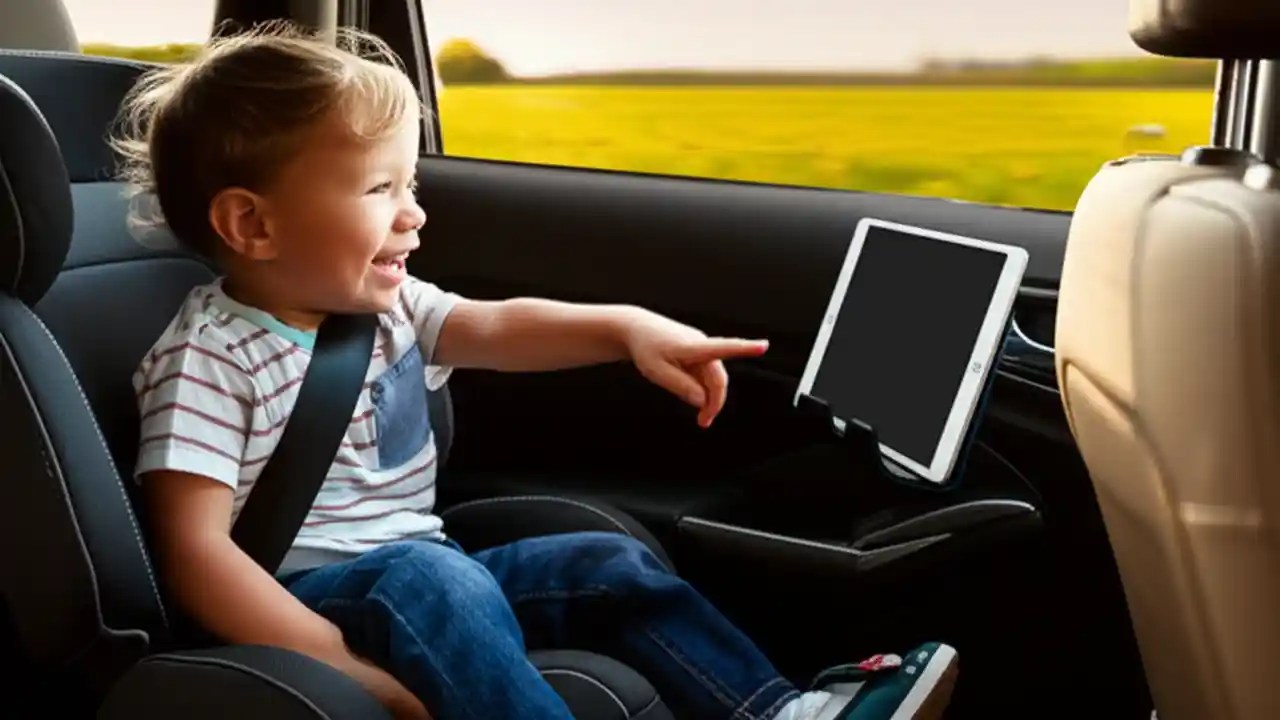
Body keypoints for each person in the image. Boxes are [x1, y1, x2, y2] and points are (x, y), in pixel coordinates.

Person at [122, 21, 959, 720]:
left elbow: (496, 326)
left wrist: (626, 330)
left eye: (410, 184)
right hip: (313, 598)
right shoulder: (208, 360)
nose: (414, 214)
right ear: (253, 225)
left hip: (430, 578)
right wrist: (344, 668)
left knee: (605, 565)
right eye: (380, 189)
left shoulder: (384, 306)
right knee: (432, 577)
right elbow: (197, 554)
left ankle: (774, 711)